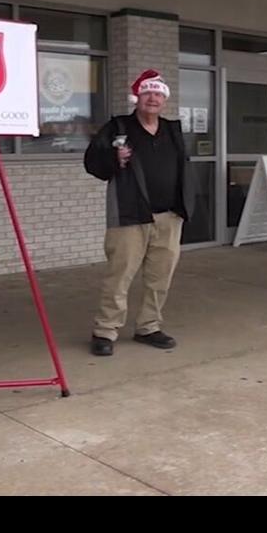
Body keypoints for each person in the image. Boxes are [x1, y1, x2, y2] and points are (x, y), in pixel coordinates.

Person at [83, 69, 196, 356]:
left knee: (160, 277)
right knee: (119, 276)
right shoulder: (118, 127)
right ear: (138, 97)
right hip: (129, 215)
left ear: (164, 100)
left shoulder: (172, 130)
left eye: (158, 94)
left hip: (169, 216)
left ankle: (149, 326)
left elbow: (184, 168)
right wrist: (113, 157)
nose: (153, 98)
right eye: (147, 93)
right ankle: (105, 330)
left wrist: (185, 206)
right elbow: (92, 162)